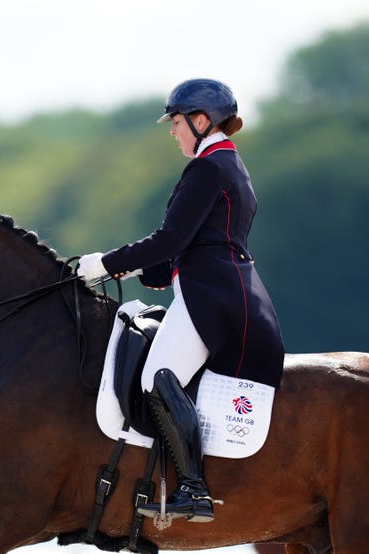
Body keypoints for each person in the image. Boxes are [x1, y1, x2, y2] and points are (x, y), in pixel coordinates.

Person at [77, 78, 285, 524]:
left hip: (210, 297)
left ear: (201, 120)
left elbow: (171, 238)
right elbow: (191, 243)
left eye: (176, 122)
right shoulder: (228, 164)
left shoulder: (209, 168)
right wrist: (146, 269)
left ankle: (194, 490)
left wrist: (104, 264)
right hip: (221, 289)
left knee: (157, 377)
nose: (172, 131)